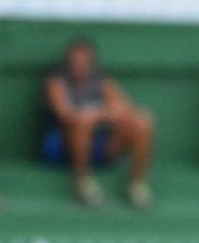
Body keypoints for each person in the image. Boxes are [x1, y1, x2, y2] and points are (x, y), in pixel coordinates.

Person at [42, 38, 154, 208]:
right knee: (82, 122)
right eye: (75, 61)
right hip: (61, 146)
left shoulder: (103, 82)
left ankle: (136, 184)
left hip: (101, 145)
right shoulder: (56, 82)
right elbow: (65, 115)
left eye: (84, 61)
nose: (79, 65)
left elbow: (125, 110)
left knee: (143, 121)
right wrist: (95, 116)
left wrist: (96, 115)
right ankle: (82, 182)